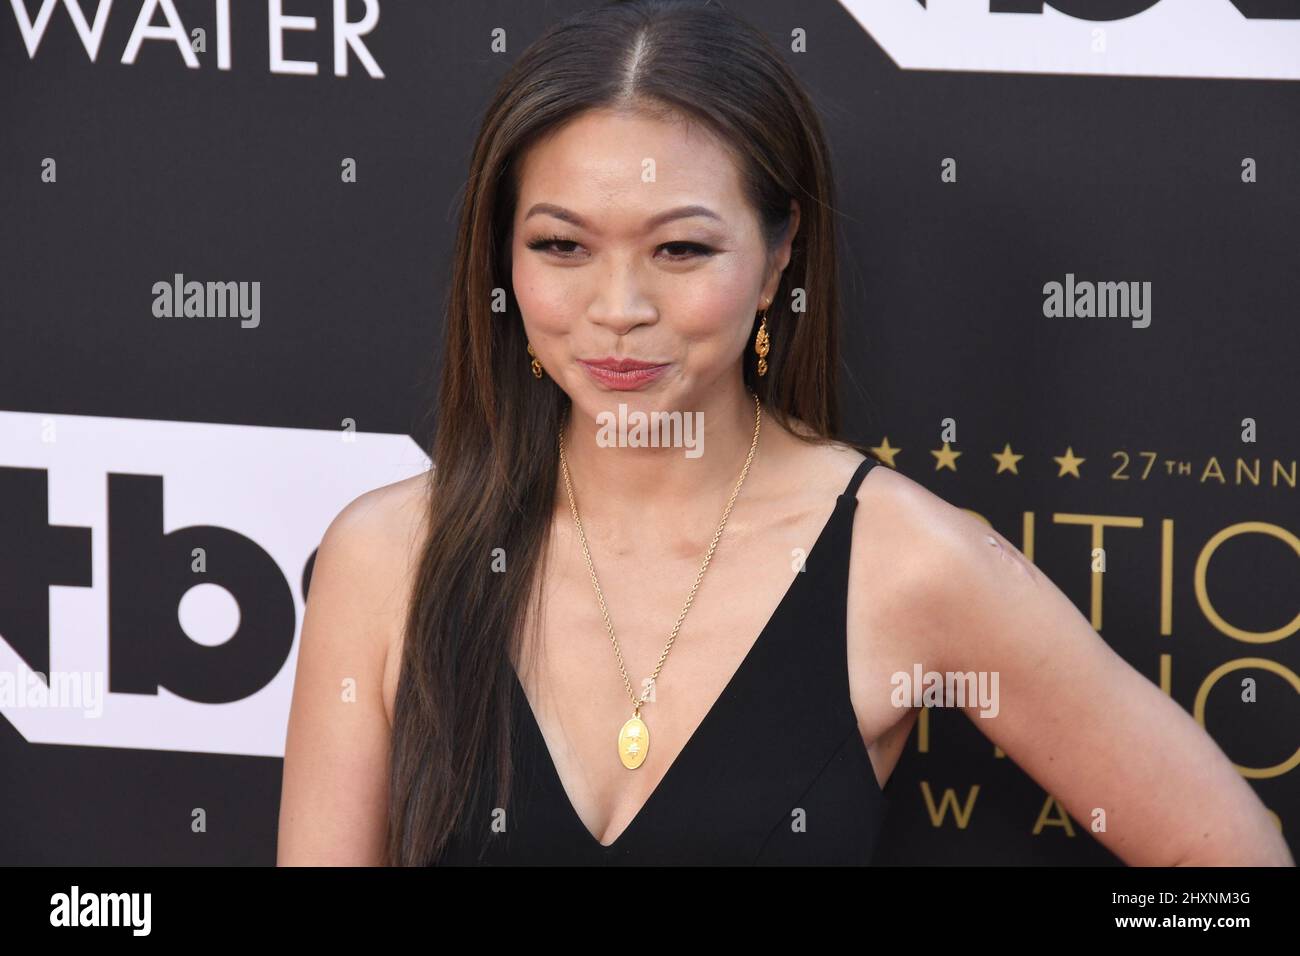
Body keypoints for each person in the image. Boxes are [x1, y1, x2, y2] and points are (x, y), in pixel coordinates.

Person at [276, 0, 1293, 866]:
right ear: (503, 256)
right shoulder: (386, 554)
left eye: (680, 247)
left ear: (773, 261)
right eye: (561, 244)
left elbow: (1224, 857)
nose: (617, 305)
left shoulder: (907, 561)